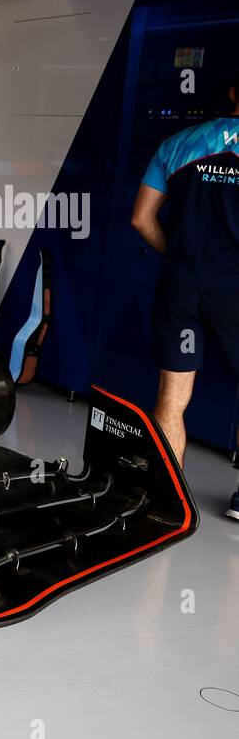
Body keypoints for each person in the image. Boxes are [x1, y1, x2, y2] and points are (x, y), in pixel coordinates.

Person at [132, 77, 239, 521]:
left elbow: (141, 219)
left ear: (233, 92)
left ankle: (166, 493)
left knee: (172, 399)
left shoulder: (178, 142)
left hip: (182, 288)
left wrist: (178, 255)